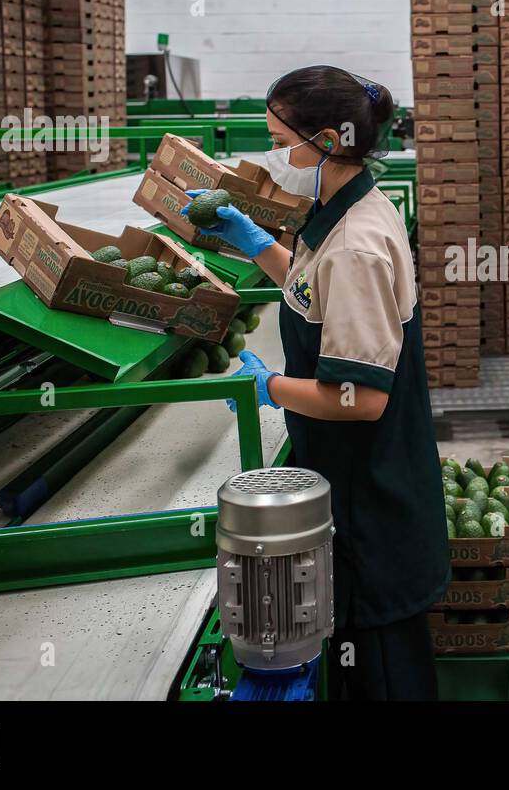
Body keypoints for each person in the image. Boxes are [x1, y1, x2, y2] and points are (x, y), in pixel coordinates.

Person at [183, 65, 448, 700]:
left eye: (281, 141)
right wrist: (253, 244)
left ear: (327, 141)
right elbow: (309, 292)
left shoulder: (356, 242)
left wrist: (268, 388)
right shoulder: (338, 207)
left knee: (382, 673)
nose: (274, 155)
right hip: (357, 484)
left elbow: (361, 399)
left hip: (373, 499)